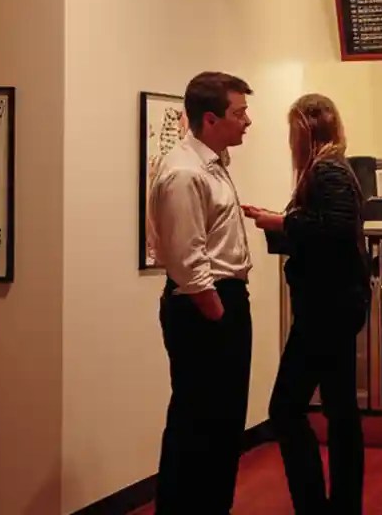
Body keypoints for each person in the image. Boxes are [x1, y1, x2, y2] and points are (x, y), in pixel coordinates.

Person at [245, 94, 369, 515]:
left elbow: (333, 227)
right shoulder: (334, 165)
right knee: (340, 409)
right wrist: (279, 221)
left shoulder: (328, 168)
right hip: (338, 304)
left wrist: (280, 222)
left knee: (285, 408)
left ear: (306, 129)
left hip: (325, 308)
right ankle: (344, 504)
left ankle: (314, 506)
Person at [149, 71, 254, 515]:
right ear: (210, 119)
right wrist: (215, 311)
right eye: (239, 113)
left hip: (219, 302)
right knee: (199, 422)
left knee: (224, 423)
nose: (247, 121)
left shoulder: (211, 164)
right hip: (204, 308)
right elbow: (187, 259)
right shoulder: (184, 172)